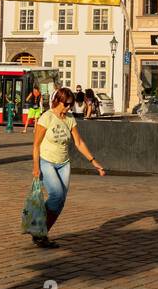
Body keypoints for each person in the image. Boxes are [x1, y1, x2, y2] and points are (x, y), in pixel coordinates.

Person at [30, 87, 105, 248]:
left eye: (71, 104)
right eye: (66, 104)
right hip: (46, 161)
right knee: (56, 195)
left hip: (64, 164)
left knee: (60, 201)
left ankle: (41, 233)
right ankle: (37, 224)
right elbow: (36, 145)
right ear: (58, 101)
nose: (69, 107)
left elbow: (79, 142)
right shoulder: (47, 117)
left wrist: (93, 161)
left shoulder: (70, 118)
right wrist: (36, 167)